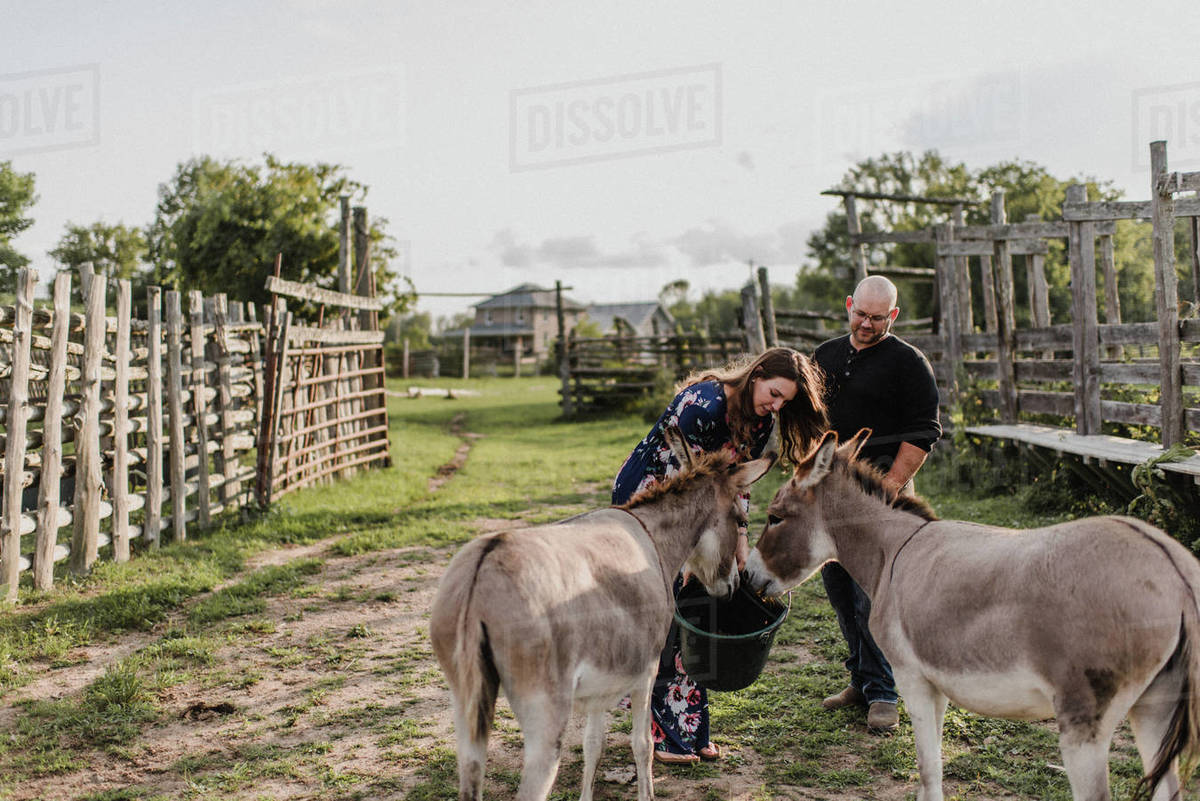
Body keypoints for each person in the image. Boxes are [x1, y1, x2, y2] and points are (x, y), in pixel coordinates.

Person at [612, 347, 828, 764]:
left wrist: (741, 538)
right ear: (758, 373)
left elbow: (738, 485)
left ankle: (689, 730)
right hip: (655, 499)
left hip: (706, 512)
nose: (777, 405)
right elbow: (691, 481)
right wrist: (702, 552)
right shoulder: (704, 407)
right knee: (666, 611)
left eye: (785, 401)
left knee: (696, 609)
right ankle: (660, 735)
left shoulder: (761, 420)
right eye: (775, 393)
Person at [813, 275, 942, 732]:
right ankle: (860, 681)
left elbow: (923, 431)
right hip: (831, 497)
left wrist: (889, 488)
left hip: (882, 493)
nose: (866, 324)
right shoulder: (825, 355)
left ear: (894, 315)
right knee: (841, 594)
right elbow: (811, 421)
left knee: (873, 599)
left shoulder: (909, 363)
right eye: (860, 314)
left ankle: (884, 693)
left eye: (877, 317)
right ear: (848, 305)